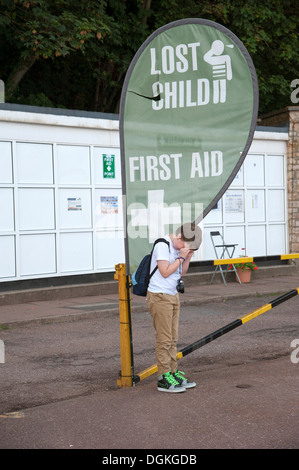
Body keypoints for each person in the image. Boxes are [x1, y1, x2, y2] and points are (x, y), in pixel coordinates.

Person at [146, 222, 202, 393]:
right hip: (159, 296)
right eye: (185, 246)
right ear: (179, 237)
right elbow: (164, 271)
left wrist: (188, 257)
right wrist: (180, 257)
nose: (183, 249)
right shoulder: (163, 245)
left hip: (172, 295)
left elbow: (181, 273)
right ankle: (163, 378)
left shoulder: (179, 248)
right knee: (164, 339)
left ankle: (172, 372)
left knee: (173, 338)